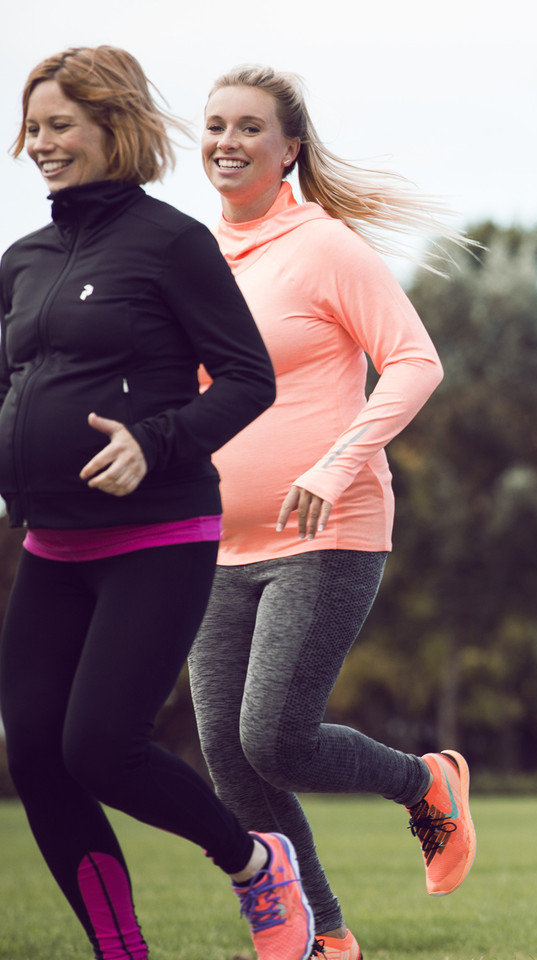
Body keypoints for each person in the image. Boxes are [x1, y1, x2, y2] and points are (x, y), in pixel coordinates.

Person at [0, 46, 316, 960]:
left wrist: (155, 440)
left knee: (102, 748)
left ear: (115, 127)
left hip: (156, 536)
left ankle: (255, 861)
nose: (41, 142)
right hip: (52, 545)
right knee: (37, 758)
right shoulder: (22, 261)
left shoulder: (171, 243)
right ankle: (120, 950)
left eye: (62, 125)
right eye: (32, 127)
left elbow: (250, 379)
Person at [185, 64, 475, 960]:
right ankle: (325, 937)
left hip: (327, 532)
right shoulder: (191, 257)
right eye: (216, 125)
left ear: (289, 150)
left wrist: (336, 462)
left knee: (274, 738)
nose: (228, 141)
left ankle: (425, 784)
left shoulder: (326, 247)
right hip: (213, 544)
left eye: (250, 127)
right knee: (230, 758)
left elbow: (415, 360)